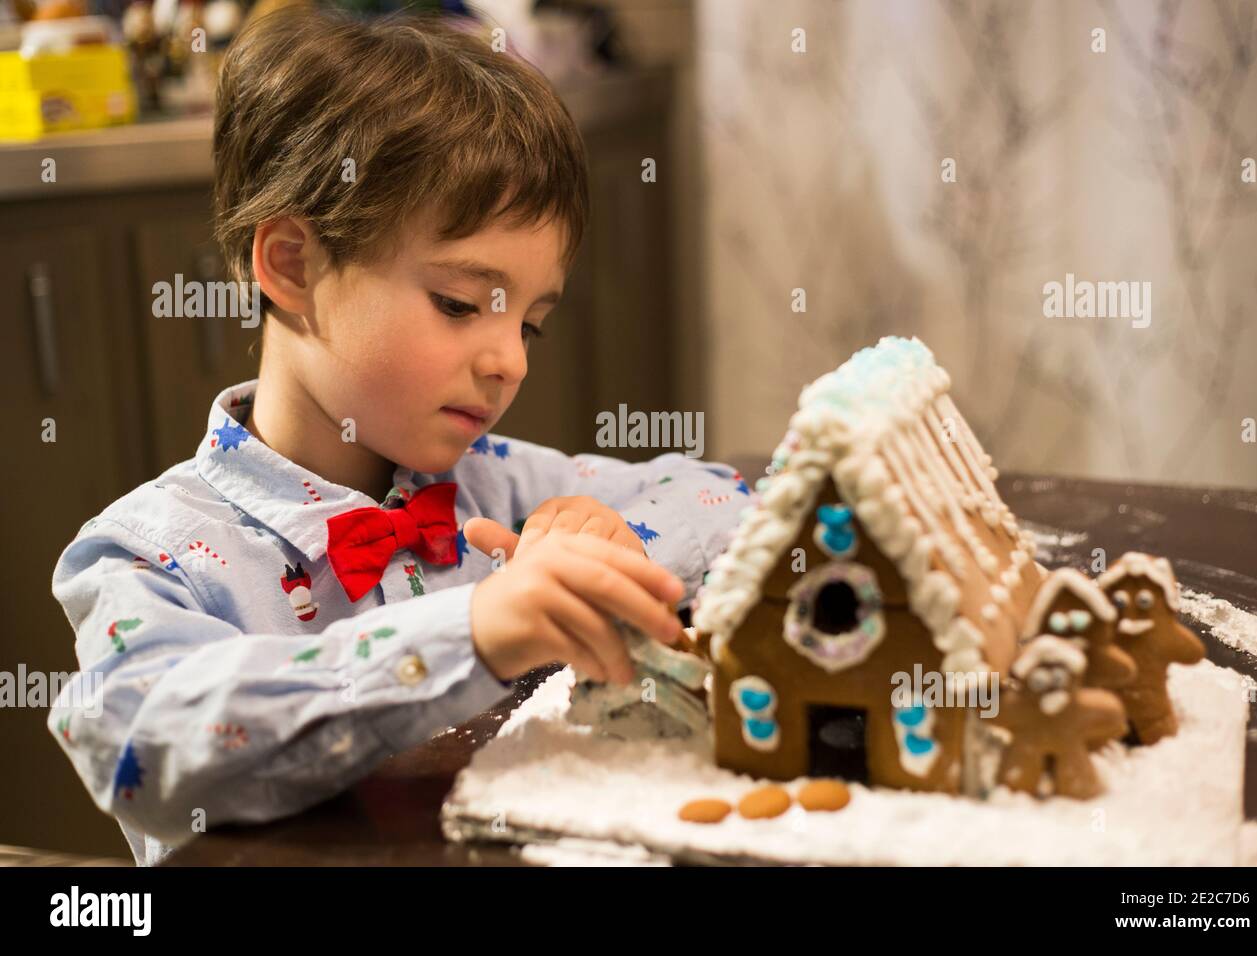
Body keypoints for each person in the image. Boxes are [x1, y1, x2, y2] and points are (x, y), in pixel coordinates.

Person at [47, 8, 749, 866]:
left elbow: (737, 503)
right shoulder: (148, 554)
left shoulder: (502, 489)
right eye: (460, 304)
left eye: (530, 324)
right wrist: (474, 632)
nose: (508, 364)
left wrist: (610, 542)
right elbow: (142, 744)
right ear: (293, 265)